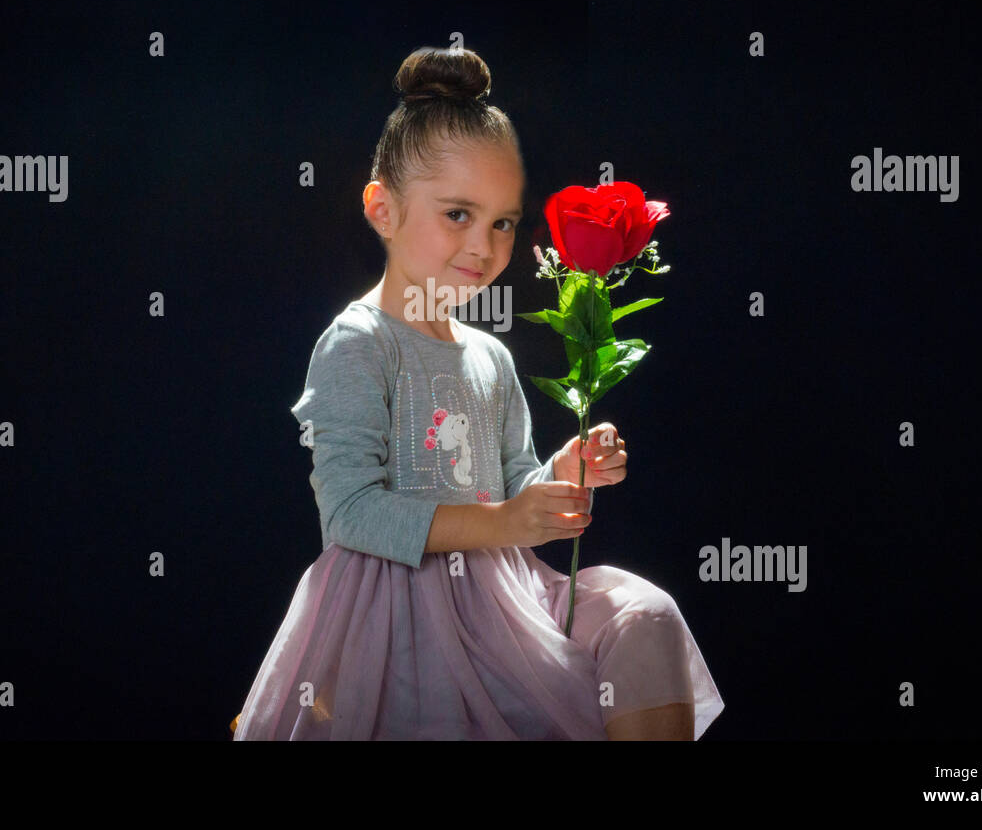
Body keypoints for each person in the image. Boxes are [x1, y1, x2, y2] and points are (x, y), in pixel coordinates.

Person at [232, 46, 724, 740]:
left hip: (504, 595)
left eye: (502, 222)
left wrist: (562, 473)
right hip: (396, 614)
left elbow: (512, 478)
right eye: (458, 213)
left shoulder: (489, 355)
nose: (485, 245)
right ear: (383, 209)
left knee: (646, 614)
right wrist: (502, 523)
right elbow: (351, 512)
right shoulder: (359, 343)